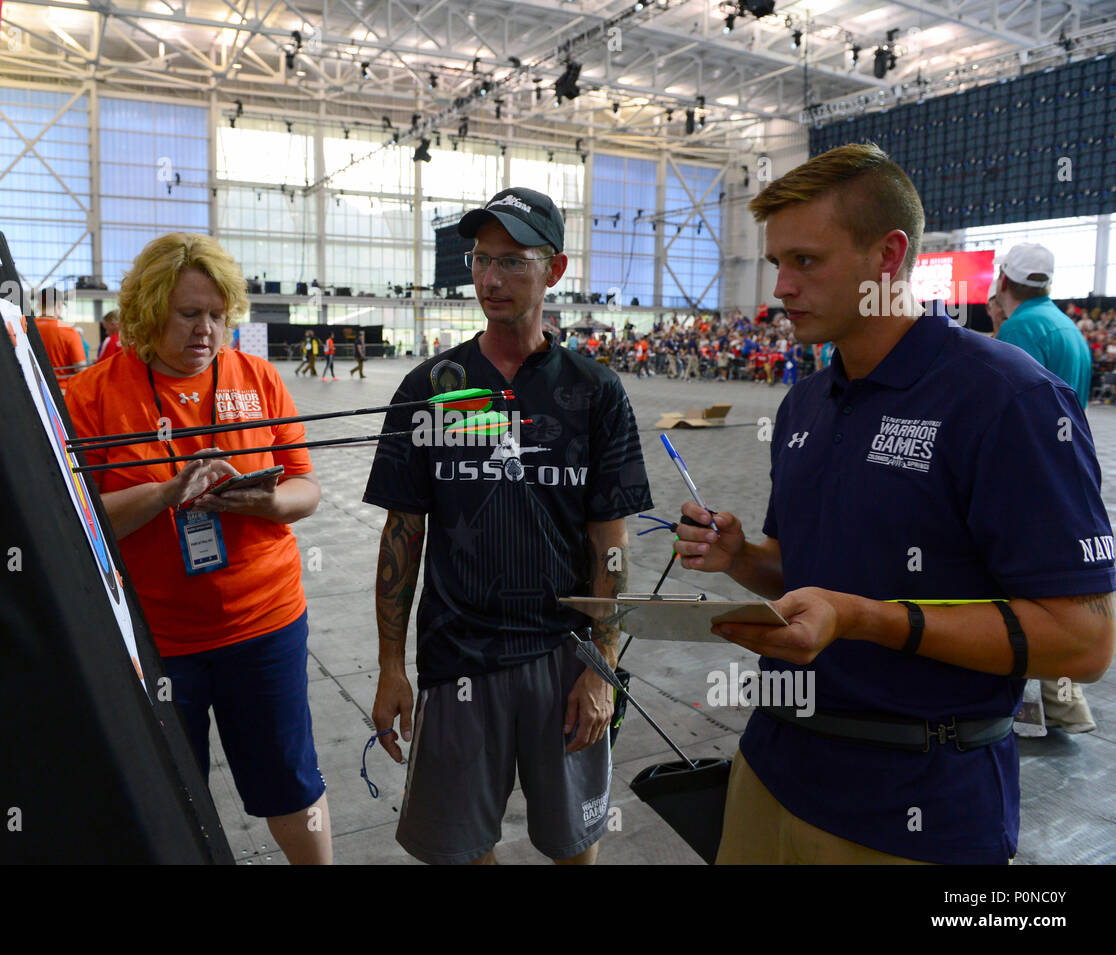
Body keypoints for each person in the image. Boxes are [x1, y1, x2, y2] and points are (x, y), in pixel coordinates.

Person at [671, 142, 1114, 865]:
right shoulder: (807, 402)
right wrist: (742, 557)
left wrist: (865, 620)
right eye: (776, 261)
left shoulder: (1006, 400)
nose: (780, 286)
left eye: (805, 261)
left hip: (916, 807)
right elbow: (805, 573)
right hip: (771, 771)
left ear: (888, 255)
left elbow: (1086, 641)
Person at [364, 187, 653, 865]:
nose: (490, 279)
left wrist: (602, 667)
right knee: (456, 847)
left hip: (564, 655)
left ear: (553, 270)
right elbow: (402, 535)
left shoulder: (595, 391)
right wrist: (388, 664)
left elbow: (610, 543)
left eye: (513, 262)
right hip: (457, 654)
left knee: (573, 842)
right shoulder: (429, 387)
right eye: (481, 260)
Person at [64, 232, 331, 864]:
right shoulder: (92, 396)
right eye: (189, 314)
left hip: (265, 626)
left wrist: (268, 503)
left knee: (292, 785)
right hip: (158, 643)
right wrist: (164, 494)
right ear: (151, 311)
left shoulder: (257, 378)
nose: (206, 330)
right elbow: (77, 521)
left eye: (217, 314)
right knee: (172, 795)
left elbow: (307, 486)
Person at [992, 242, 1099, 734]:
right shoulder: (1068, 328)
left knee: (1013, 592)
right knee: (1054, 592)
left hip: (1026, 469)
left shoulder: (1019, 328)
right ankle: (1064, 704)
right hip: (1066, 466)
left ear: (1003, 280)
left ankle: (1017, 703)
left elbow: (1008, 400)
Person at [33, 287, 87, 393]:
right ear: (59, 304)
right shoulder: (69, 332)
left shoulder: (27, 329)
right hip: (62, 392)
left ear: (38, 305)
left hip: (35, 392)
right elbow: (81, 370)